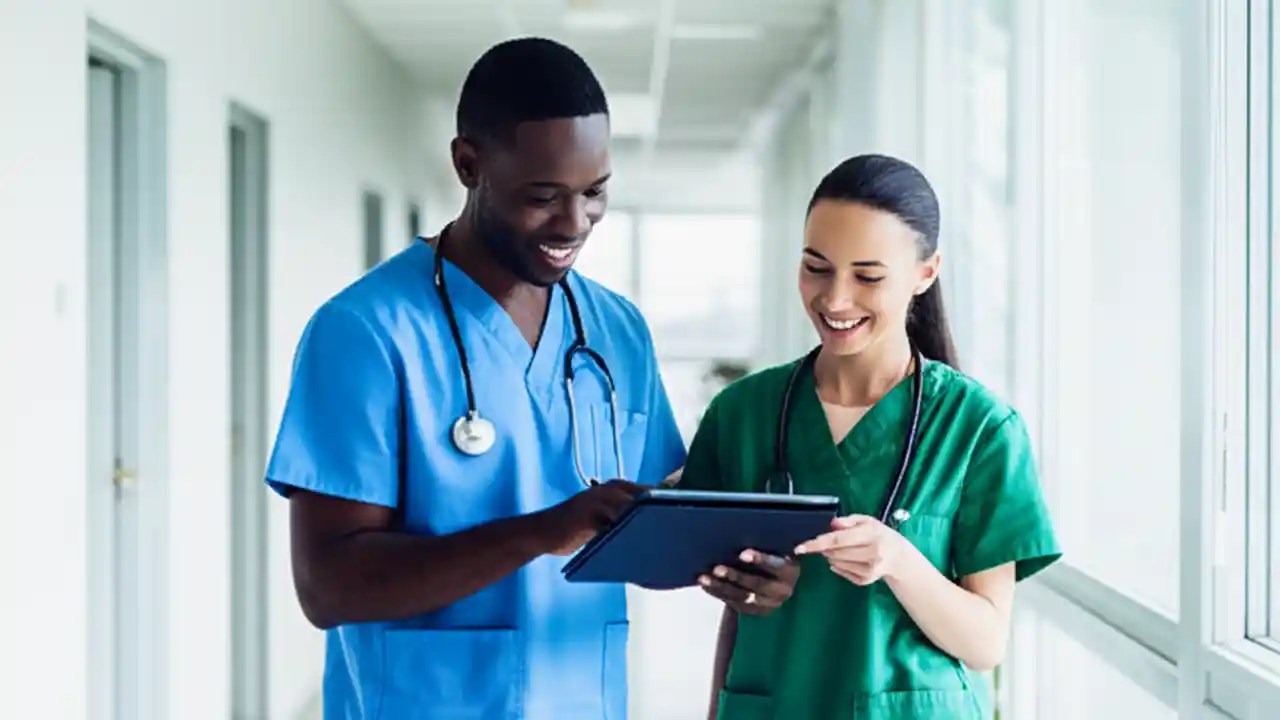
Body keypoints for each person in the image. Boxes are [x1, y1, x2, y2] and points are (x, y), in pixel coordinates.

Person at [263, 38, 790, 719]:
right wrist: (540, 531)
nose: (574, 224)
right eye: (542, 196)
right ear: (468, 164)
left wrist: (743, 570)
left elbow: (646, 533)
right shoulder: (365, 332)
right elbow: (329, 587)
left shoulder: (616, 330)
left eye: (594, 193)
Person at [679, 154, 1062, 719]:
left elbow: (986, 644)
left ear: (925, 273)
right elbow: (733, 609)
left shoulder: (979, 428)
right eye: (816, 267)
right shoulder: (743, 414)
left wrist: (900, 561)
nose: (835, 299)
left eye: (868, 276)